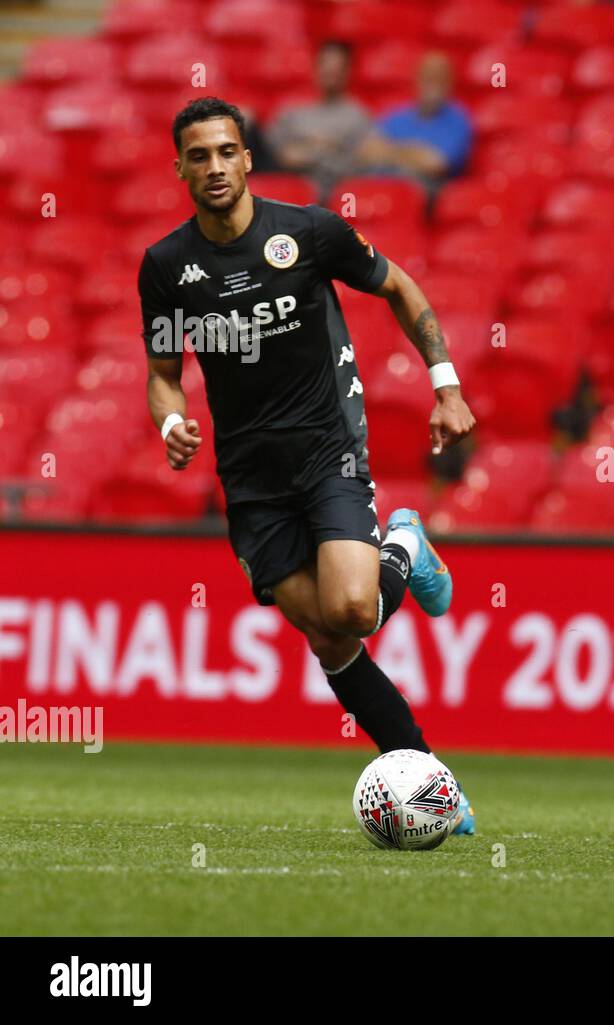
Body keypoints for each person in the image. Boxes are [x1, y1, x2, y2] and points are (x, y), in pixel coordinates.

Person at [138, 97, 478, 833]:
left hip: (328, 448)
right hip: (251, 479)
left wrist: (444, 384)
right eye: (199, 156)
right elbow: (163, 368)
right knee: (330, 638)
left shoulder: (309, 232)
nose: (216, 167)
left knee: (353, 608)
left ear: (248, 157)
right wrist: (171, 418)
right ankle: (438, 789)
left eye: (227, 151)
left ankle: (405, 543)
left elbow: (397, 286)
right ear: (180, 170)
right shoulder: (167, 267)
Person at [266, 40, 372, 199]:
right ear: (316, 67)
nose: (330, 71)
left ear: (348, 71)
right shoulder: (292, 111)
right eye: (326, 64)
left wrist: (312, 151)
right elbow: (275, 153)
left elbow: (361, 162)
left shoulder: (357, 116)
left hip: (334, 191)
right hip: (289, 186)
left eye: (337, 67)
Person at [358, 52, 473, 187]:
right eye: (427, 78)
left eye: (439, 79)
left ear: (450, 83)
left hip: (427, 194)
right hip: (384, 185)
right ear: (416, 80)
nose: (433, 85)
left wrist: (390, 151)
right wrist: (416, 153)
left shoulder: (458, 121)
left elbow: (436, 165)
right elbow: (367, 152)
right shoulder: (397, 117)